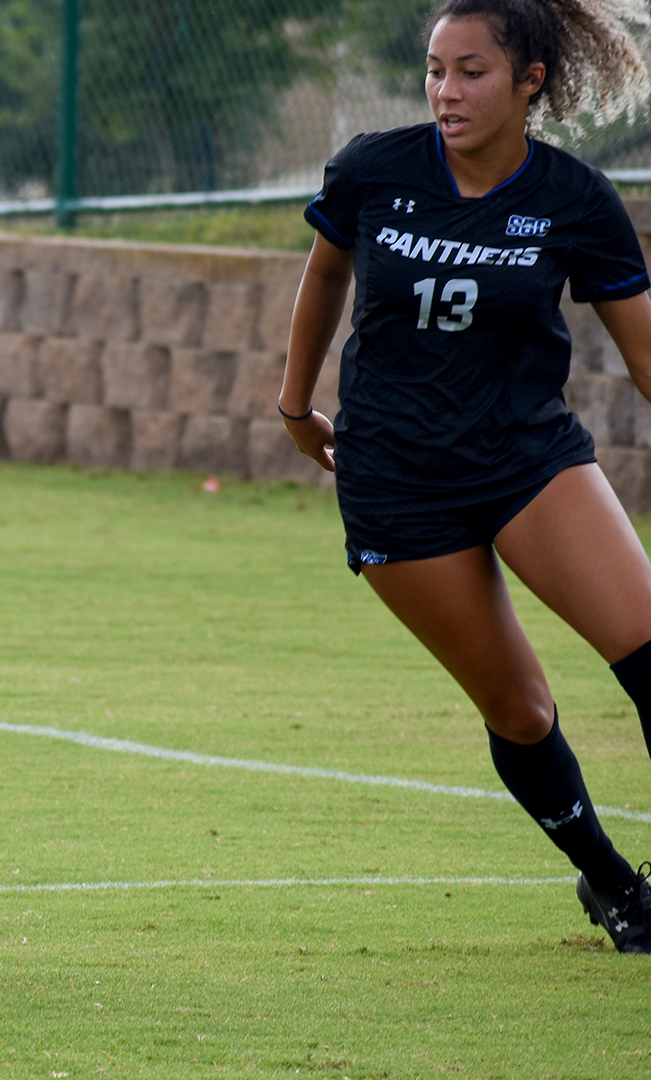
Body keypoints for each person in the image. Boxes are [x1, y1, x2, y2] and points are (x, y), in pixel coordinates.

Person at [284, 0, 651, 953]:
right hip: (398, 481)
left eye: (471, 71)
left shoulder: (575, 199)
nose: (446, 91)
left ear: (531, 79)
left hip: (530, 460)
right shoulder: (375, 168)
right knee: (521, 709)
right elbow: (325, 277)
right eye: (435, 70)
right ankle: (614, 885)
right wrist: (293, 407)